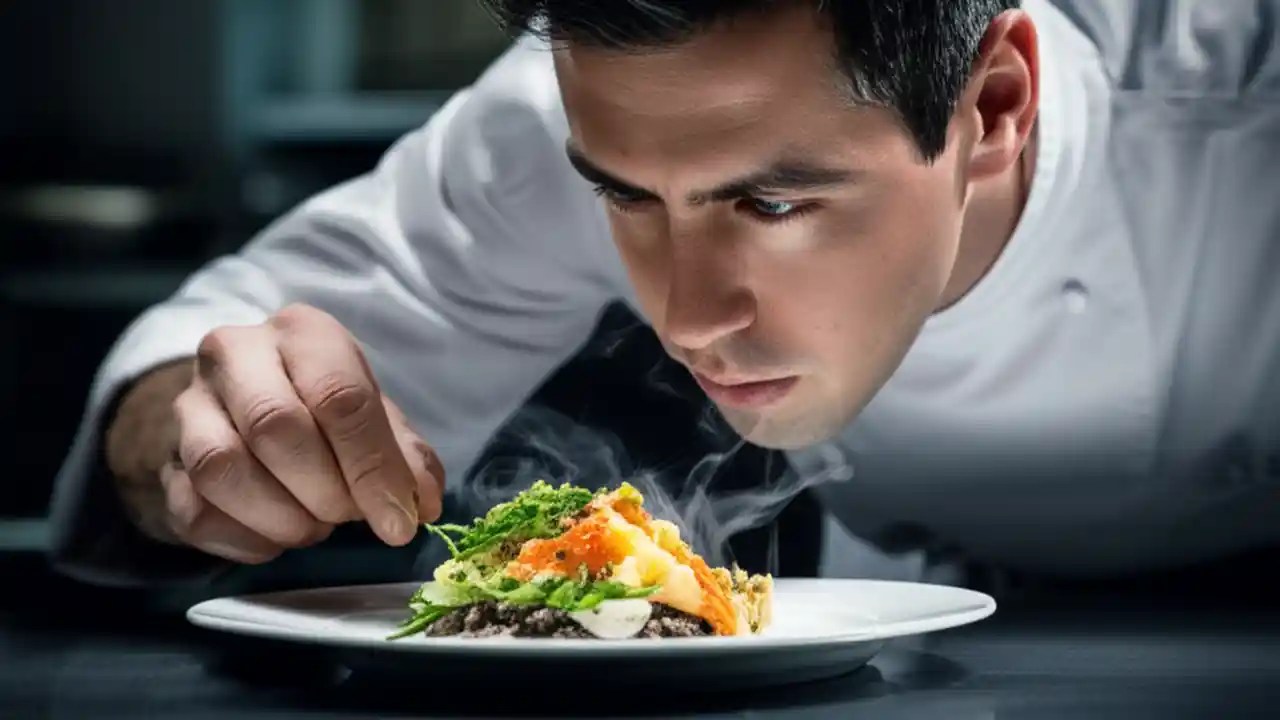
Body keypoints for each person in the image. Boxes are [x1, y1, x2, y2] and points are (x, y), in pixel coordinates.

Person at [48, 0, 1280, 589]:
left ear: (993, 107)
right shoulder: (578, 118)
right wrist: (206, 441)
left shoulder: (1247, 112)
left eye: (773, 204)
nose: (686, 321)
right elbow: (206, 355)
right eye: (627, 199)